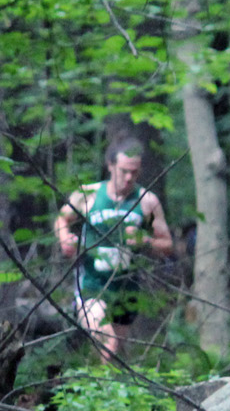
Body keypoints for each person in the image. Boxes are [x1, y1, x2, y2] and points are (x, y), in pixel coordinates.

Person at [54, 137, 174, 362]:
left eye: (135, 172)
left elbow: (167, 245)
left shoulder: (147, 201)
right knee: (107, 344)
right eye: (124, 171)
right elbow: (62, 218)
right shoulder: (88, 194)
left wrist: (145, 240)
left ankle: (94, 390)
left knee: (114, 354)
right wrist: (65, 239)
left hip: (126, 288)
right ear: (110, 166)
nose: (129, 178)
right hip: (91, 284)